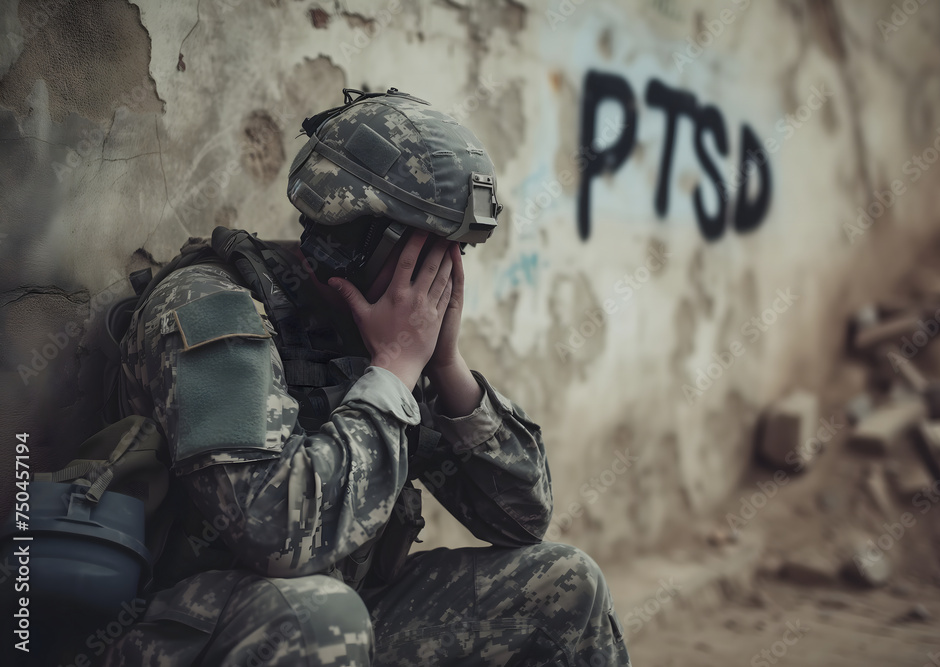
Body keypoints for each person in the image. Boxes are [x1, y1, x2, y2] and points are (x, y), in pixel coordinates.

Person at [104, 88, 631, 666]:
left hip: (345, 614)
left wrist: (443, 365)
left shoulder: (379, 326)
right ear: (357, 235)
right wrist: (394, 370)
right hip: (214, 631)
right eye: (428, 248)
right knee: (323, 617)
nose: (444, 272)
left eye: (457, 252)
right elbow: (275, 534)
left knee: (566, 585)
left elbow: (522, 515)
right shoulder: (214, 310)